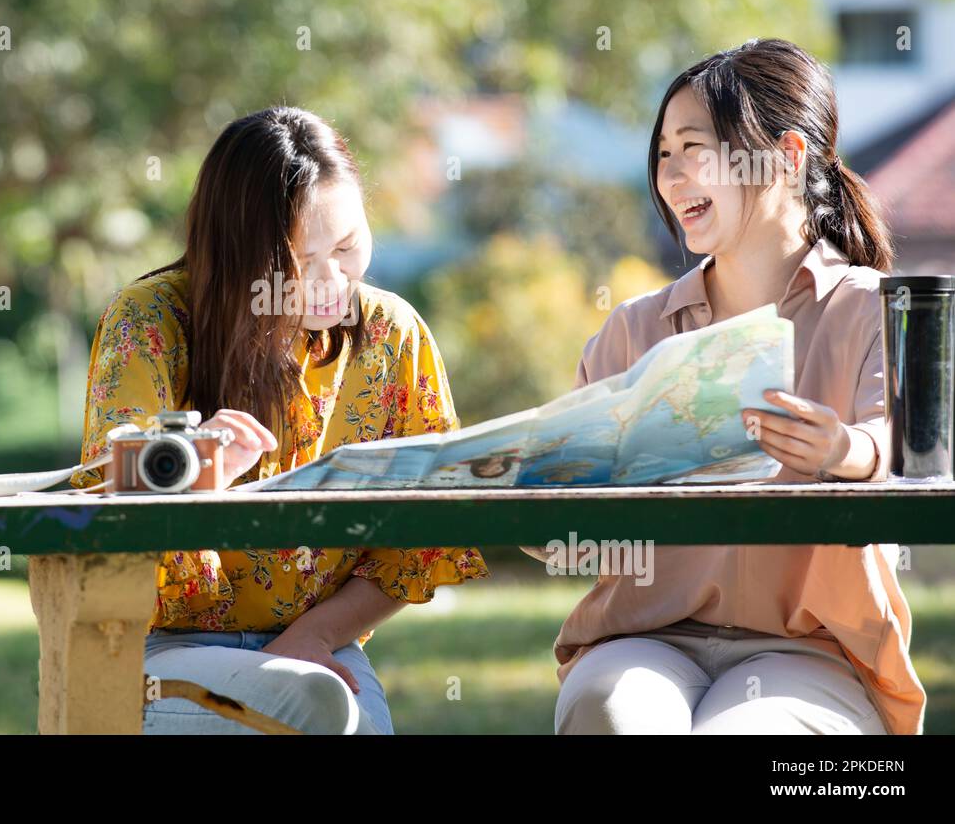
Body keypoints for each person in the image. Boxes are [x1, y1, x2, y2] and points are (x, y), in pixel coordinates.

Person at [536, 38, 924, 734]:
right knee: (612, 715)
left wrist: (847, 450)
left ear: (787, 157)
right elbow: (562, 512)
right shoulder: (634, 329)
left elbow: (907, 441)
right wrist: (540, 503)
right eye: (663, 154)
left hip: (812, 651)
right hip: (642, 637)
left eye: (696, 149)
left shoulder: (872, 306)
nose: (673, 177)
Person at [73, 106, 488, 734]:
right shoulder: (150, 321)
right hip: (159, 648)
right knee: (319, 711)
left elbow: (423, 539)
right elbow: (104, 493)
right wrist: (197, 470)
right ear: (238, 255)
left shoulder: (392, 336)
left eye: (348, 247)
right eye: (297, 261)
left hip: (321, 644)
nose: (331, 280)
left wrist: (314, 637)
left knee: (330, 708)